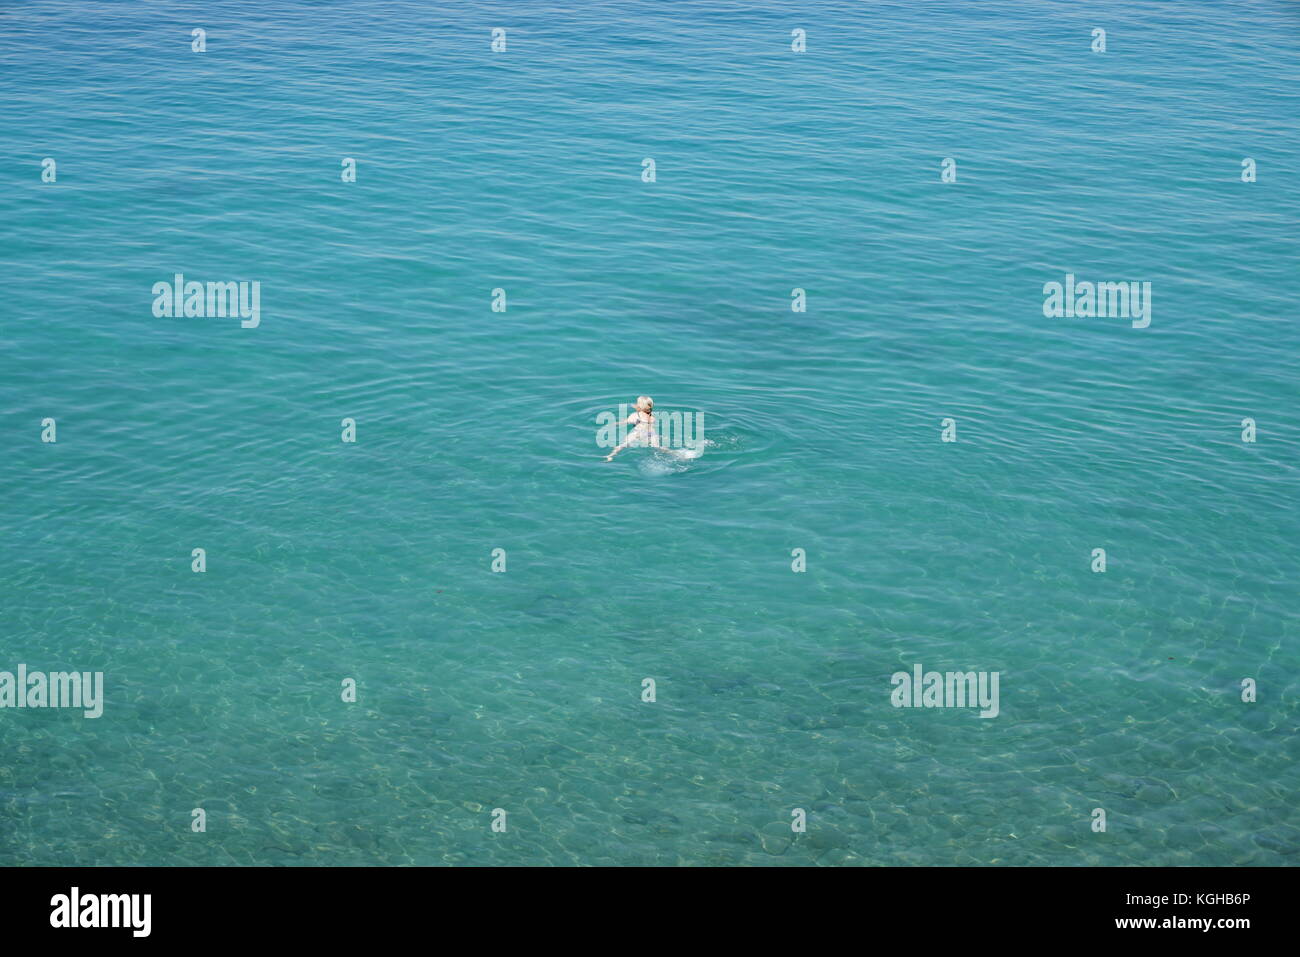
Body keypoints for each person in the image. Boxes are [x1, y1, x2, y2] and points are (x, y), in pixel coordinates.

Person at [604, 396, 659, 461]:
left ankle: (610, 456)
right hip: (651, 433)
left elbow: (625, 422)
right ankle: (672, 453)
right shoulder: (652, 417)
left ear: (639, 406)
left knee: (622, 445)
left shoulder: (635, 415)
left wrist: (613, 424)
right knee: (657, 447)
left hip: (637, 434)